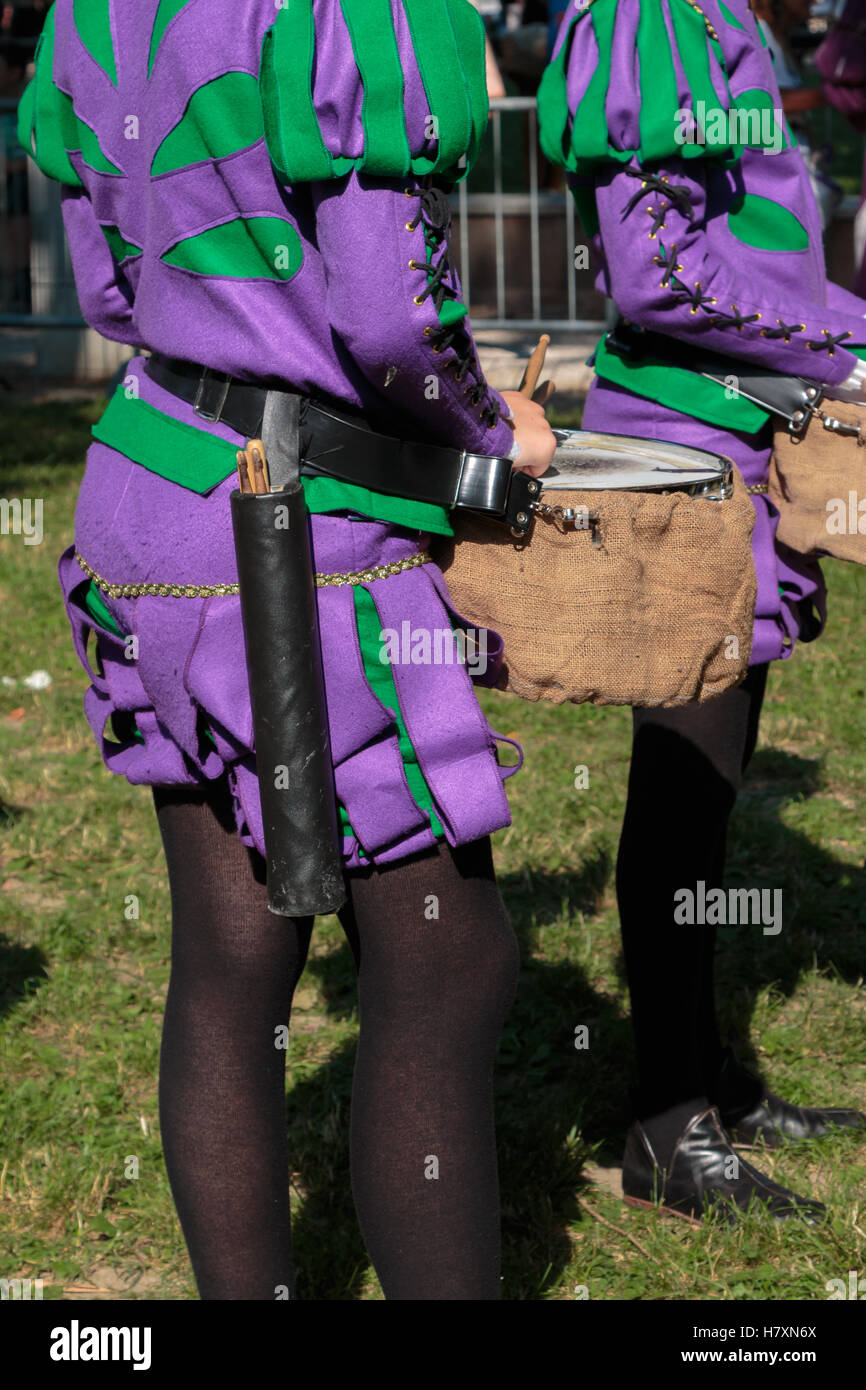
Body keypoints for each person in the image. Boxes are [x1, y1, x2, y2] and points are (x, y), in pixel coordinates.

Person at [18, 0, 556, 1299]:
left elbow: (105, 279)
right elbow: (386, 319)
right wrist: (492, 434)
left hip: (148, 474)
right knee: (448, 962)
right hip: (296, 526)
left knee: (235, 958)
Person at [538, 0, 865, 1224]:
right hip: (684, 458)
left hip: (738, 432)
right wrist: (843, 345)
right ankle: (663, 1125)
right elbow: (654, 269)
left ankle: (706, 1076)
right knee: (679, 805)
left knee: (710, 801)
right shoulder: (644, 14)